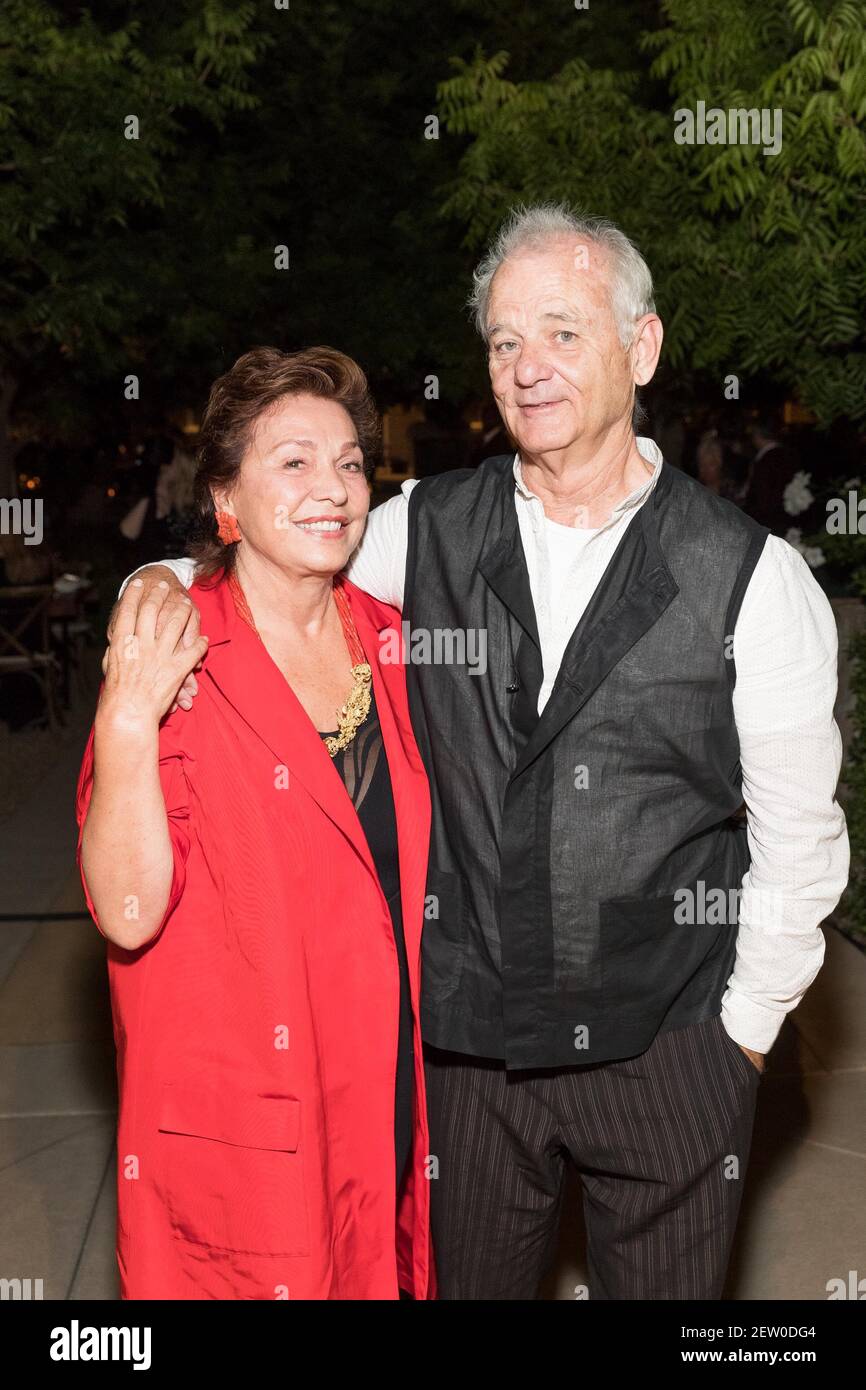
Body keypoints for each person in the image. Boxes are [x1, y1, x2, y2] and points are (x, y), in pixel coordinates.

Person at [119, 205, 848, 1301]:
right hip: (465, 1067)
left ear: (638, 348)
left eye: (560, 331)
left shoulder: (752, 577)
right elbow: (272, 553)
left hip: (667, 1053)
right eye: (503, 341)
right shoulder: (419, 528)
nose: (526, 366)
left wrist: (737, 1039)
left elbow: (799, 844)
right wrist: (155, 586)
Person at [75, 346, 434, 1300]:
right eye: (295, 462)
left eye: (352, 462)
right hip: (242, 1133)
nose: (335, 488)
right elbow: (127, 908)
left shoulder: (397, 644)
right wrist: (122, 718)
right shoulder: (177, 656)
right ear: (226, 499)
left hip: (387, 1104)